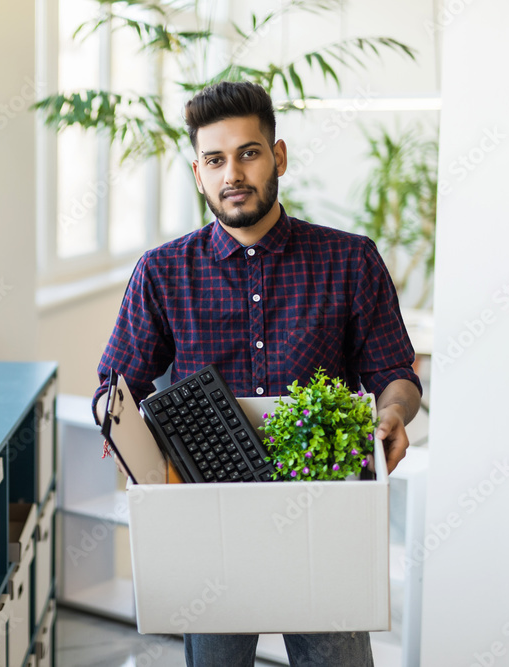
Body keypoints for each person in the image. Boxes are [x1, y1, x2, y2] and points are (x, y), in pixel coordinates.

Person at [91, 81, 422, 667]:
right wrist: (124, 441)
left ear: (279, 157)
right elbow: (117, 388)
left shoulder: (349, 260)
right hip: (210, 512)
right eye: (215, 160)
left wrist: (393, 412)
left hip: (325, 509)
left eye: (248, 153)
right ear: (198, 173)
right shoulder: (163, 274)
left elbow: (394, 372)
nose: (232, 174)